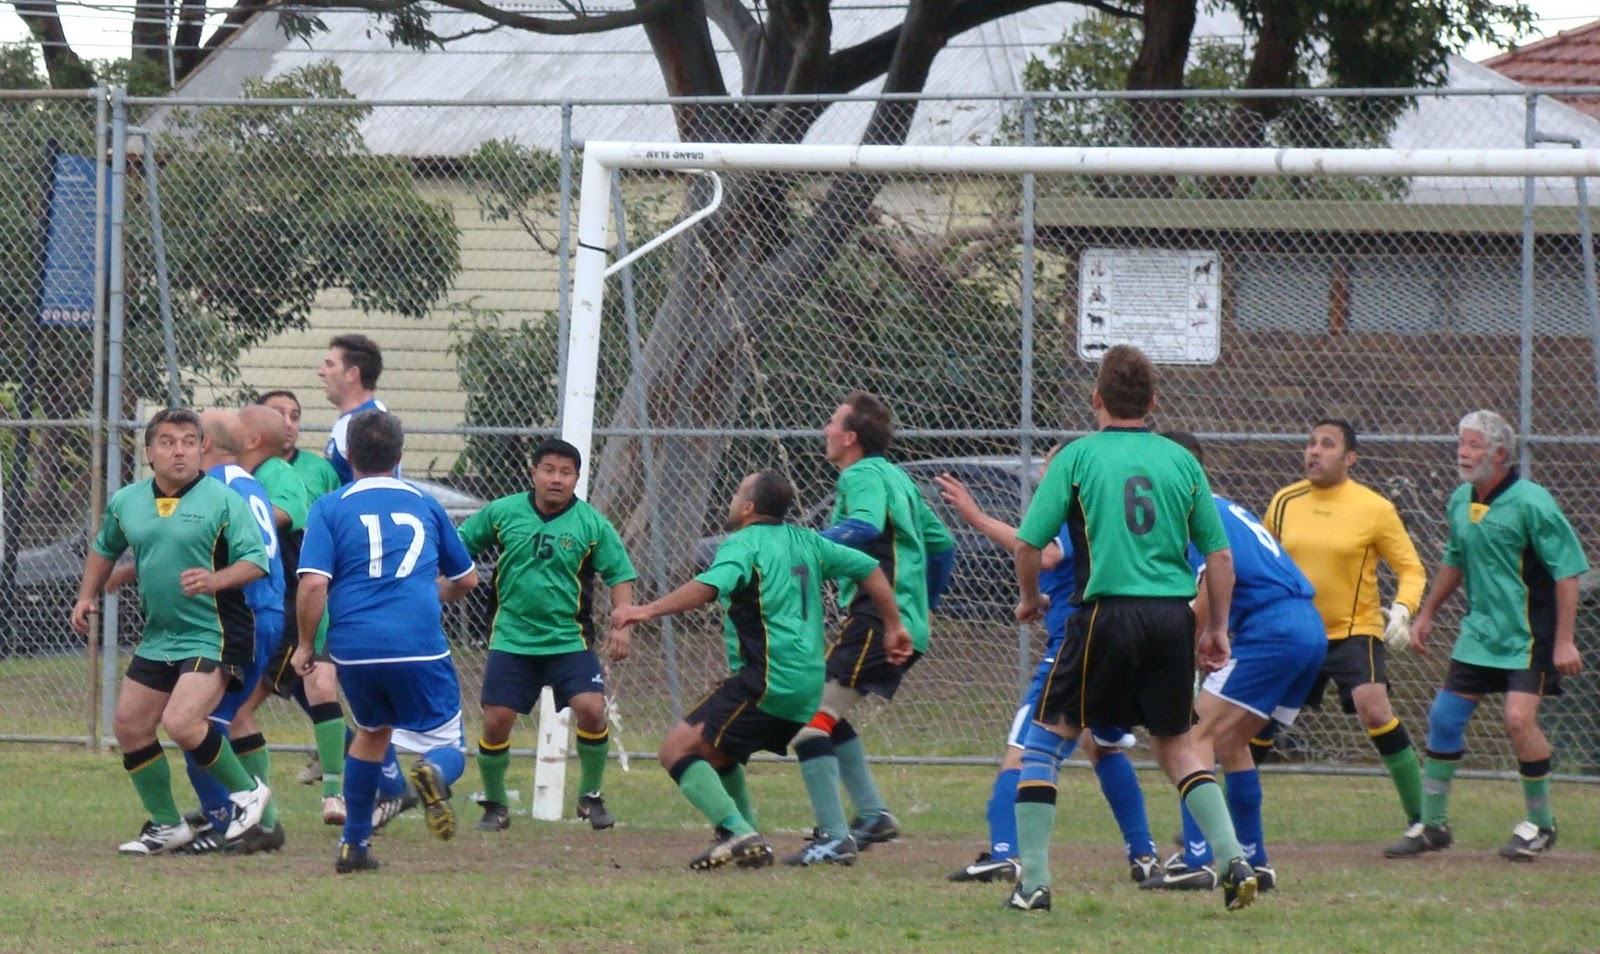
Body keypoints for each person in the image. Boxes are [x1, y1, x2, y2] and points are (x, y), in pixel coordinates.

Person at [1008, 345, 1254, 913]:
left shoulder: (1076, 457)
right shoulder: (1182, 461)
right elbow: (1220, 560)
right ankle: (1232, 858)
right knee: (1178, 751)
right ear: (1152, 403)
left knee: (1045, 740)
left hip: (1105, 616)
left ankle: (1034, 884)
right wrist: (1216, 628)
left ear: (1096, 398)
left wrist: (1030, 599)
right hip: (1171, 619)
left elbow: (1027, 543)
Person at [610, 470, 911, 870]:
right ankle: (751, 838)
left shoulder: (744, 544)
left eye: (736, 491)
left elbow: (709, 586)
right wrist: (894, 625)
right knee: (720, 749)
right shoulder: (808, 541)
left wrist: (643, 610)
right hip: (807, 684)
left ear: (749, 507)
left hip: (770, 682)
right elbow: (869, 568)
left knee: (675, 750)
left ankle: (739, 832)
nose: (732, 499)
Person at [934, 458, 1161, 886]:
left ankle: (1006, 853)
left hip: (1073, 648)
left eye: (1052, 465)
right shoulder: (1106, 511)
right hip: (1118, 643)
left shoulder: (1070, 507)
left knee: (1022, 751)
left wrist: (977, 517)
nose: (1042, 473)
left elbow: (1049, 554)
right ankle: (1144, 854)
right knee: (1103, 746)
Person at [1385, 410, 1587, 861]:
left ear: (1499, 454)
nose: (1463, 451)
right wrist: (1427, 613)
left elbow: (1569, 571)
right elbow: (1455, 559)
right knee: (1443, 718)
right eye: (1461, 442)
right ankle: (1432, 825)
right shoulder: (1461, 499)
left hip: (1528, 636)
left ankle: (1540, 823)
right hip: (1480, 634)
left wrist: (1565, 640)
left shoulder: (1533, 503)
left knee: (1518, 720)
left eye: (1474, 445)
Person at [70, 408, 273, 855]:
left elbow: (256, 561)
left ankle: (248, 794)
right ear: (149, 452)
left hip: (213, 630)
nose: (178, 450)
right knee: (129, 726)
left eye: (187, 440)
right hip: (162, 633)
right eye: (167, 441)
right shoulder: (128, 501)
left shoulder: (222, 500)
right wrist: (87, 595)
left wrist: (215, 579)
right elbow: (104, 548)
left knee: (181, 722)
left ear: (202, 448)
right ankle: (166, 824)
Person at [293, 410, 480, 872]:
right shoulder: (424, 503)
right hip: (417, 641)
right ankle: (432, 774)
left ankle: (354, 846)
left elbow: (314, 584)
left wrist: (303, 645)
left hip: (354, 649)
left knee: (373, 734)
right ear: (399, 455)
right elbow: (467, 580)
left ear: (348, 455)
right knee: (448, 745)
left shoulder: (330, 506)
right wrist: (434, 593)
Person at [1140, 432, 1326, 893]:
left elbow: (1211, 582)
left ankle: (1198, 858)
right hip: (1305, 627)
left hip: (1273, 629)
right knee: (1231, 742)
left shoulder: (1193, 513)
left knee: (1192, 736)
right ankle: (1255, 858)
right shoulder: (1227, 506)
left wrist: (1179, 650)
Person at [786, 391, 957, 867]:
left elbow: (861, 526)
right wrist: (923, 608)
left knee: (806, 722)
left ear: (851, 437)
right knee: (828, 715)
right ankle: (871, 816)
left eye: (831, 422)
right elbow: (943, 547)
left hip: (876, 620)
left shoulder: (861, 474)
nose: (824, 430)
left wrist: (803, 548)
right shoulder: (897, 477)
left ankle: (835, 839)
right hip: (896, 621)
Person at [458, 438, 638, 832]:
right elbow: (458, 545)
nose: (556, 479)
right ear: (534, 473)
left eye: (566, 472)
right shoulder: (503, 513)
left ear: (576, 478)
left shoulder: (591, 524)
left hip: (568, 639)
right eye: (549, 470)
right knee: (496, 721)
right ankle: (496, 804)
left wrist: (621, 625)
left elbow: (620, 574)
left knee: (591, 708)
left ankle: (590, 797)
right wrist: (445, 579)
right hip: (511, 638)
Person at [1263, 420, 1428, 846]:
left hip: (1354, 630)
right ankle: (1218, 819)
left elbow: (1411, 567)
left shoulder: (1373, 508)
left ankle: (1425, 821)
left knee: (1373, 707)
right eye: (1311, 443)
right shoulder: (1284, 501)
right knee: (1258, 718)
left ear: (1350, 458)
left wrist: (1404, 611)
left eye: (1327, 445)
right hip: (1298, 630)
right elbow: (1266, 563)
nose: (1314, 452)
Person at [237, 402, 357, 825]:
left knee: (318, 686)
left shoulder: (281, 475)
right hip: (259, 611)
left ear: (252, 438)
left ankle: (327, 795)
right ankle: (258, 807)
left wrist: (230, 517)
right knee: (240, 711)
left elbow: (288, 518)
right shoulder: (236, 475)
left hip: (294, 607)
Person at [317, 334, 388, 485]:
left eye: (330, 365)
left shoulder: (368, 425)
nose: (321, 372)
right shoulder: (355, 418)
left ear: (352, 374)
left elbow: (373, 491)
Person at [259, 389, 342, 501]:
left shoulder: (320, 470)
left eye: (294, 417)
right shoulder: (244, 468)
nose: (288, 424)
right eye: (279, 415)